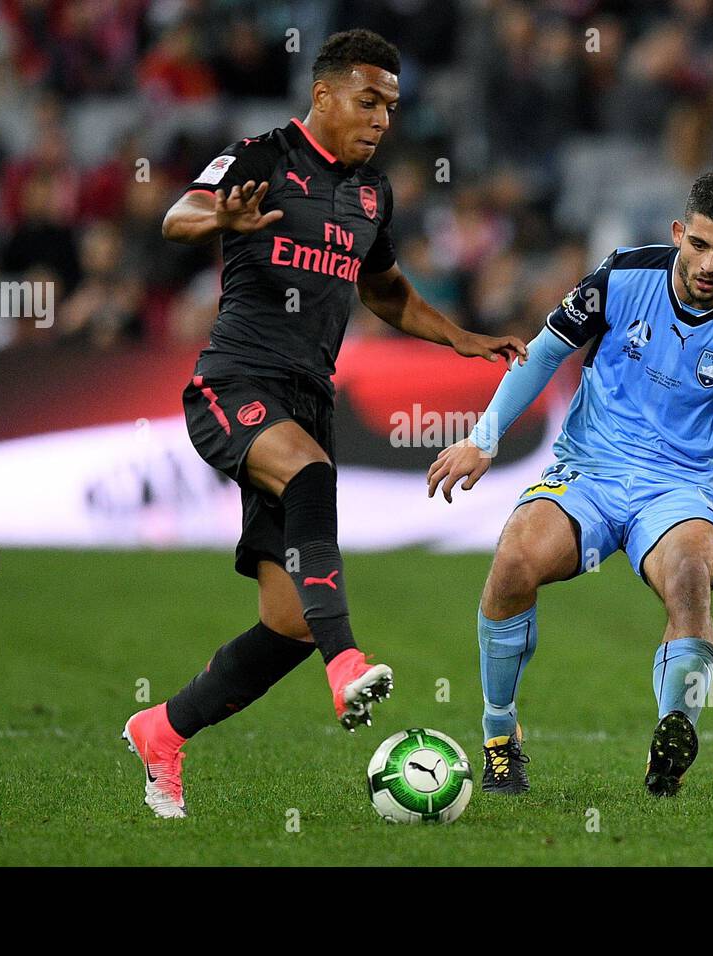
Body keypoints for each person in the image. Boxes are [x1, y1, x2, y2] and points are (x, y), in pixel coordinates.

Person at [123, 30, 525, 819]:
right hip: (232, 382)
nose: (381, 118)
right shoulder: (261, 155)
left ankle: (161, 732)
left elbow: (387, 293)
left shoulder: (374, 194)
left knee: (284, 623)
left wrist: (462, 337)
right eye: (369, 100)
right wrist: (220, 222)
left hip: (308, 398)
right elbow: (178, 216)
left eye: (392, 106)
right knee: (310, 474)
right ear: (325, 93)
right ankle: (347, 665)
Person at [428, 172, 713, 797]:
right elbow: (547, 353)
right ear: (677, 234)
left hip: (679, 491)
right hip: (588, 473)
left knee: (690, 584)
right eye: (699, 244)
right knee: (512, 562)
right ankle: (501, 735)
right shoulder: (621, 277)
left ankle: (672, 736)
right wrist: (484, 437)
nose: (709, 264)